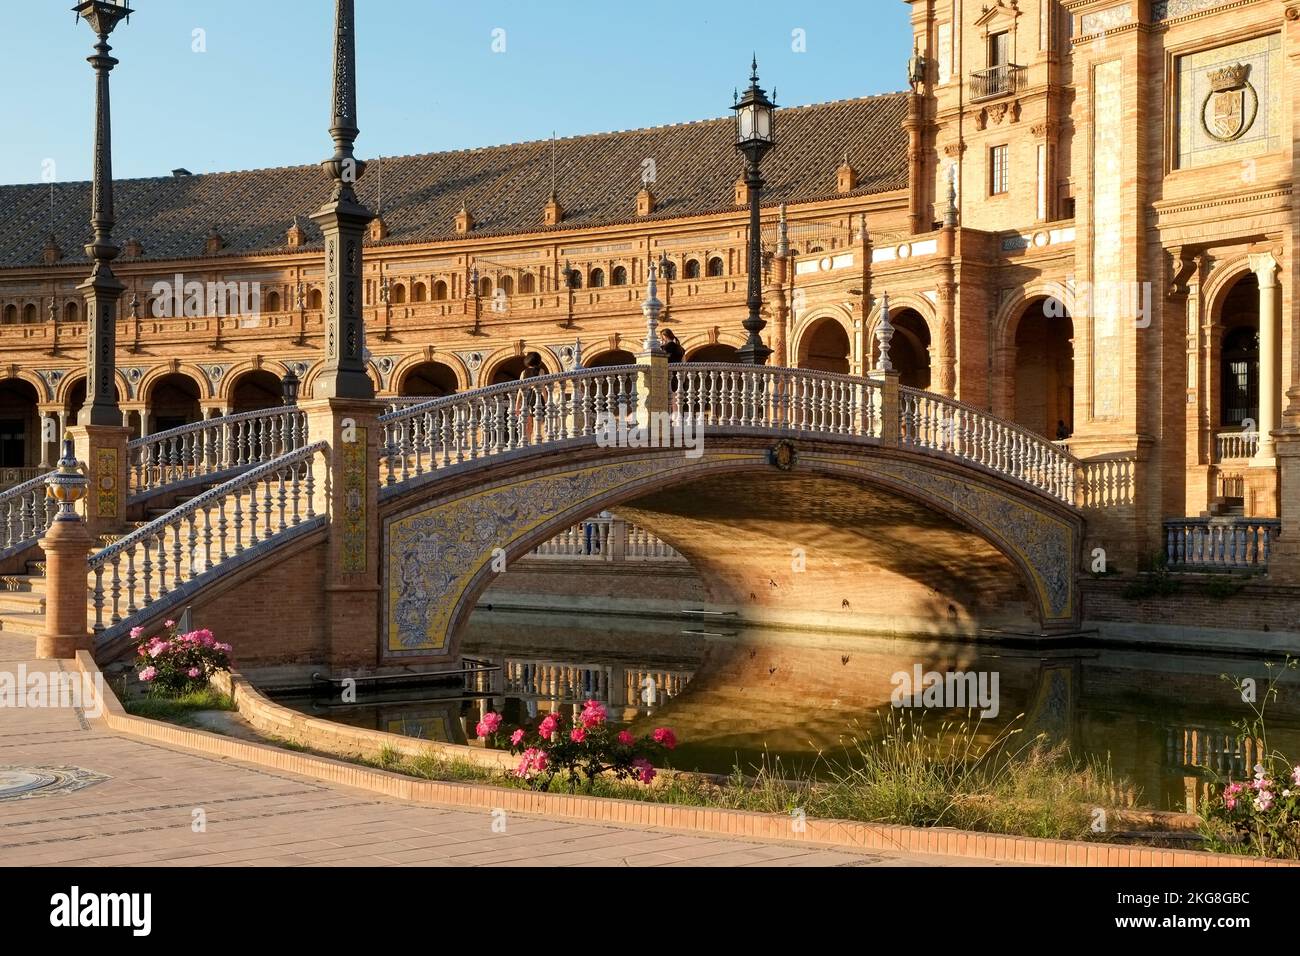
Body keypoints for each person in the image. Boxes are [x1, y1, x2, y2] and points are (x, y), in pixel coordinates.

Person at [518, 351, 546, 442]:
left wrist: (517, 404)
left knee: (528, 425)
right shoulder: (541, 371)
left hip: (527, 398)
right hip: (536, 398)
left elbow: (520, 390)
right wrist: (547, 402)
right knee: (537, 424)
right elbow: (542, 388)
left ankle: (528, 442)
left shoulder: (523, 372)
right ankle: (536, 443)